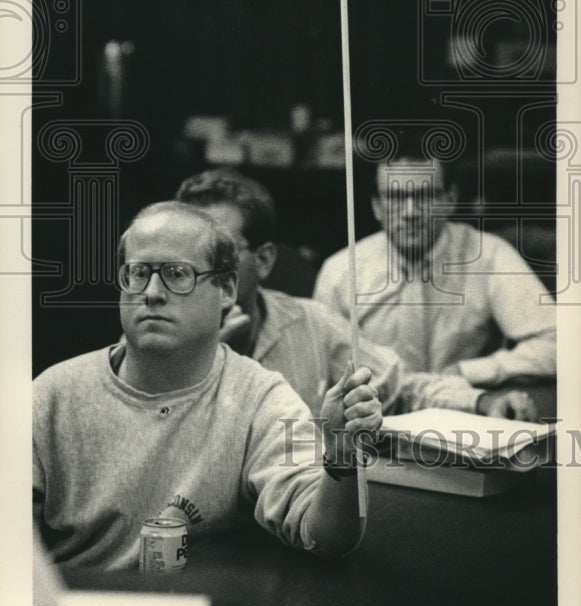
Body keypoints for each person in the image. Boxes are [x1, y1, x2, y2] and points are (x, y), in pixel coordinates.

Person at [33, 202, 383, 570]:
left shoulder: (260, 398)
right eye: (137, 273)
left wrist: (342, 457)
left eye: (177, 273)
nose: (151, 292)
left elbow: (328, 536)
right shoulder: (51, 395)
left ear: (227, 288)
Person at [176, 169, 537, 419]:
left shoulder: (311, 323)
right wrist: (206, 369)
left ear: (265, 259)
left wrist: (481, 401)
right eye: (183, 256)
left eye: (221, 253)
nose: (197, 271)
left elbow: (400, 387)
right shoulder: (154, 341)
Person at [314, 139, 556, 391]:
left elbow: (561, 344)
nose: (410, 212)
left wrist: (471, 372)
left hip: (467, 413)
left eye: (425, 195)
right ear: (376, 206)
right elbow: (319, 370)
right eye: (395, 197)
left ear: (451, 199)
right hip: (375, 419)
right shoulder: (340, 272)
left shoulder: (489, 256)